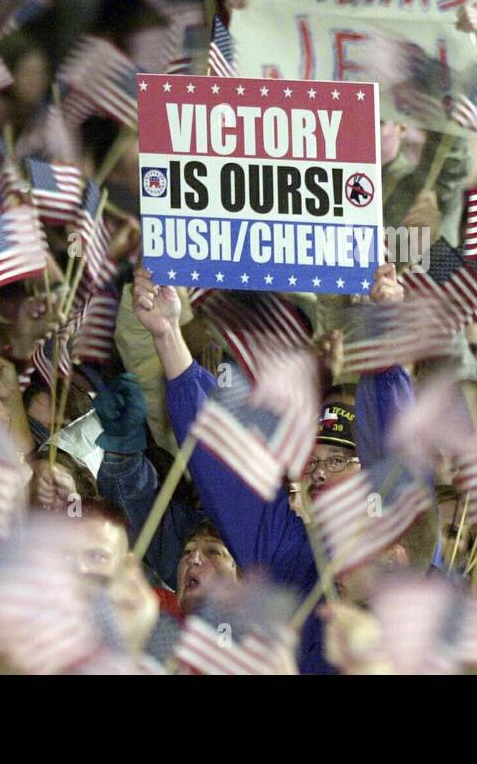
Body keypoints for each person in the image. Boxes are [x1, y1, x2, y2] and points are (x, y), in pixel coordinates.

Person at [130, 261, 414, 674]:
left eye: (336, 462)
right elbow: (227, 472)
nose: (318, 474)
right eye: (312, 462)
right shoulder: (299, 562)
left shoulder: (415, 558)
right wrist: (168, 334)